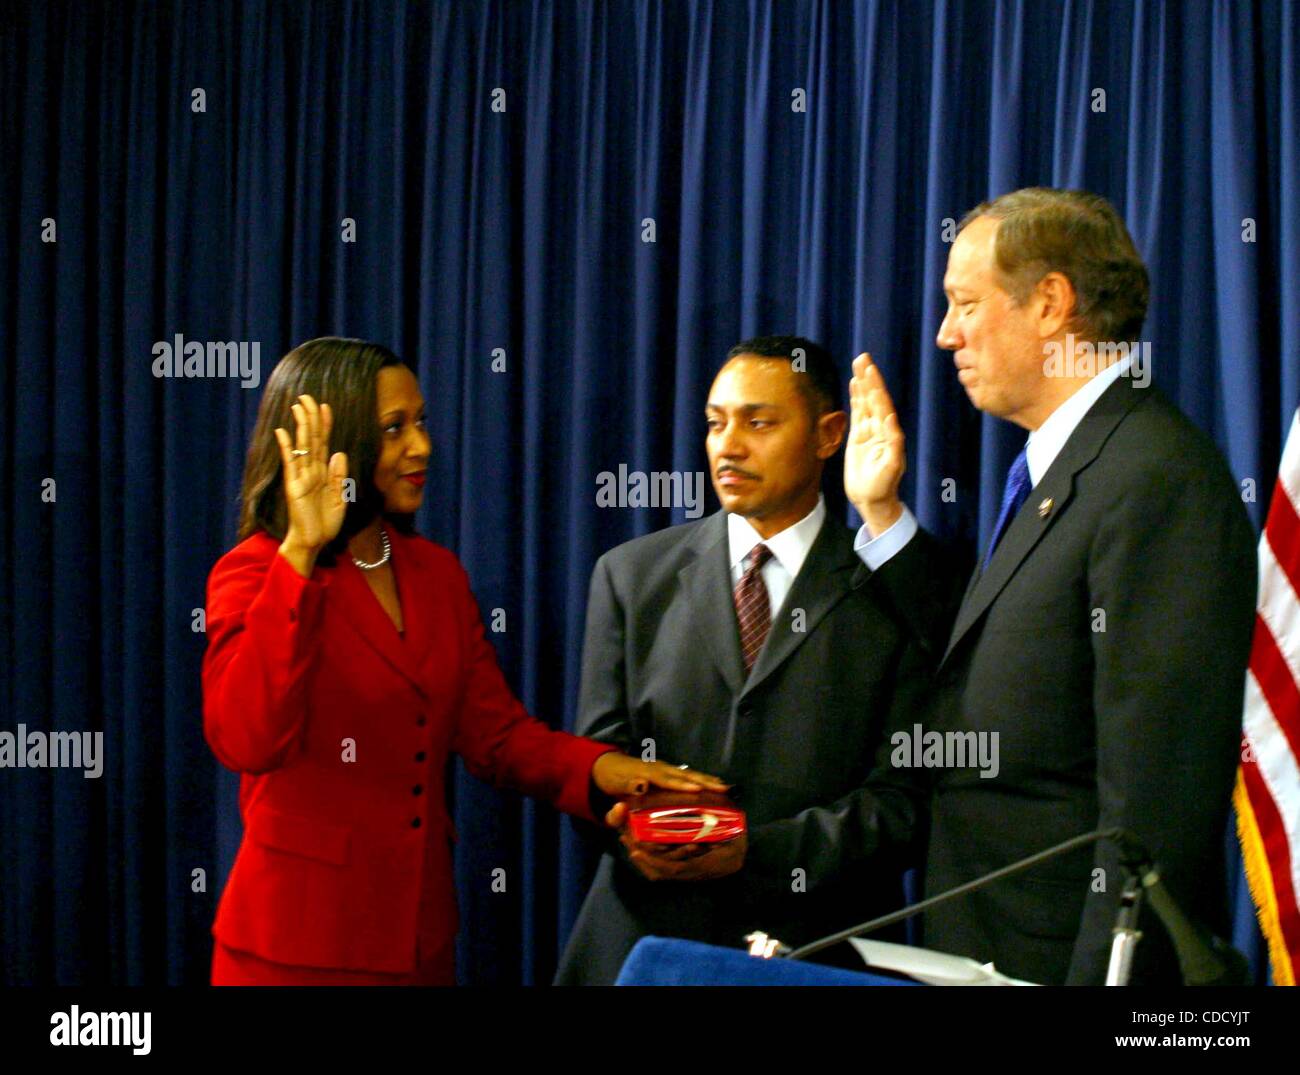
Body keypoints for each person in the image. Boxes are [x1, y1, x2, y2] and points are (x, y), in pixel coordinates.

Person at [202, 336, 724, 986]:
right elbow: (248, 737)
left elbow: (497, 735)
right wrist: (301, 553)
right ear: (330, 444)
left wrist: (608, 770)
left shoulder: (434, 574)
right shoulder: (256, 571)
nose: (420, 446)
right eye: (393, 429)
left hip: (419, 943)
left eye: (419, 422)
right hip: (294, 949)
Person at [848, 188, 1258, 984]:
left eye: (965, 303)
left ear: (1050, 304)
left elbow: (1152, 812)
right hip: (983, 942)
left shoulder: (1156, 479)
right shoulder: (1062, 466)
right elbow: (991, 660)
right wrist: (883, 515)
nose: (944, 334)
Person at [554, 336, 931, 985]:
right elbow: (597, 763)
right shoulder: (630, 576)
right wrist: (625, 820)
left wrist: (751, 850)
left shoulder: (892, 588)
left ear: (828, 433)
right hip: (642, 946)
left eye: (758, 422)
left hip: (818, 954)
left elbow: (904, 804)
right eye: (715, 422)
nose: (727, 445)